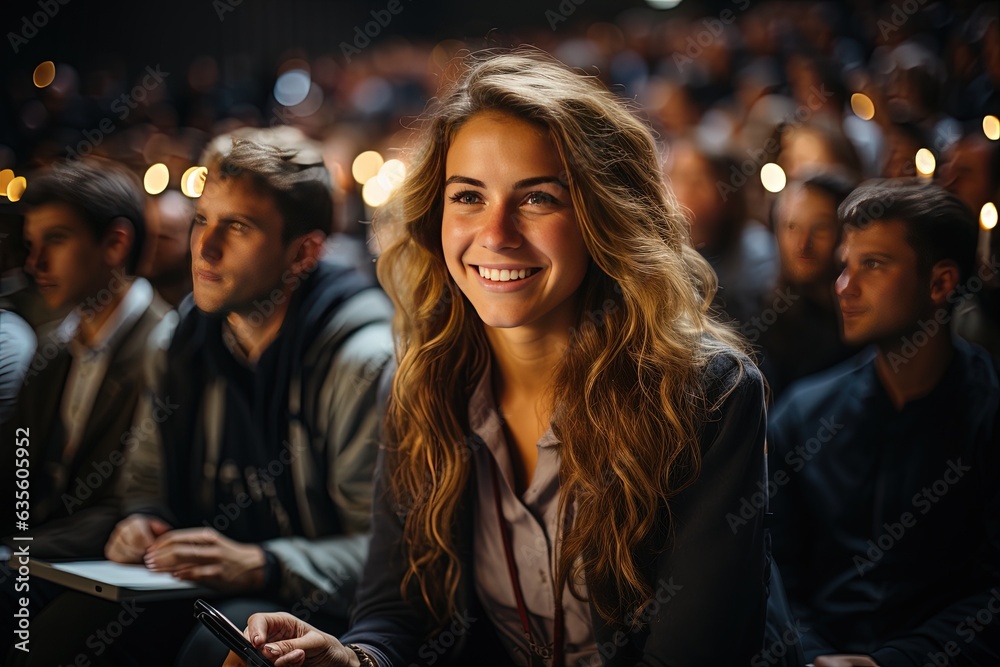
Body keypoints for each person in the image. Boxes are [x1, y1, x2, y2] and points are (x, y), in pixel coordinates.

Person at [224, 50, 783, 667]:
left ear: (603, 215)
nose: (496, 234)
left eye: (538, 198)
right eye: (468, 196)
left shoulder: (707, 392)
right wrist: (351, 660)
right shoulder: (420, 382)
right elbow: (396, 612)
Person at [768, 180, 1000, 665]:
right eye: (844, 266)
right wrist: (812, 656)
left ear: (940, 283)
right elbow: (771, 571)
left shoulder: (987, 412)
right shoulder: (804, 415)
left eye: (872, 265)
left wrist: (891, 662)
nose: (844, 287)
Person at [1, 157, 169, 559]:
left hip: (101, 571)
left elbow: (129, 508)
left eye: (55, 240)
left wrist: (14, 553)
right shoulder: (53, 346)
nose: (34, 263)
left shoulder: (164, 347)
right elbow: (13, 475)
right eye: (31, 244)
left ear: (115, 243)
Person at [755, 171, 859, 401]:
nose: (803, 244)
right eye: (791, 227)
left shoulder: (863, 316)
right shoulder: (760, 316)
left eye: (821, 228)